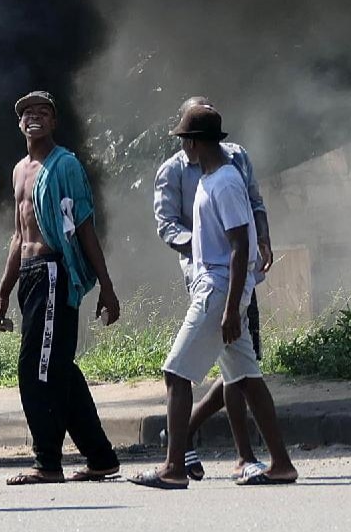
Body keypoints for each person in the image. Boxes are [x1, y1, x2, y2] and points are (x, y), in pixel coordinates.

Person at [132, 104, 297, 490]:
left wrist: (230, 307)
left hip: (218, 289)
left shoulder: (223, 181)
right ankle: (282, 463)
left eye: (184, 140)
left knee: (175, 373)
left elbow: (240, 246)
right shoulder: (211, 177)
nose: (183, 148)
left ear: (194, 143)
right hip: (222, 288)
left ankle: (173, 467)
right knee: (247, 378)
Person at [0, 90, 123, 485]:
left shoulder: (65, 166)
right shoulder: (19, 171)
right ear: (19, 123)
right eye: (27, 113)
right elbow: (17, 235)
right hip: (28, 275)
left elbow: (83, 226)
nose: (34, 118)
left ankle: (47, 463)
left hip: (52, 273)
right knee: (59, 368)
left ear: (54, 122)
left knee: (37, 370)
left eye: (43, 112)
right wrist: (2, 295)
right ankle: (100, 457)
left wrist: (107, 289)